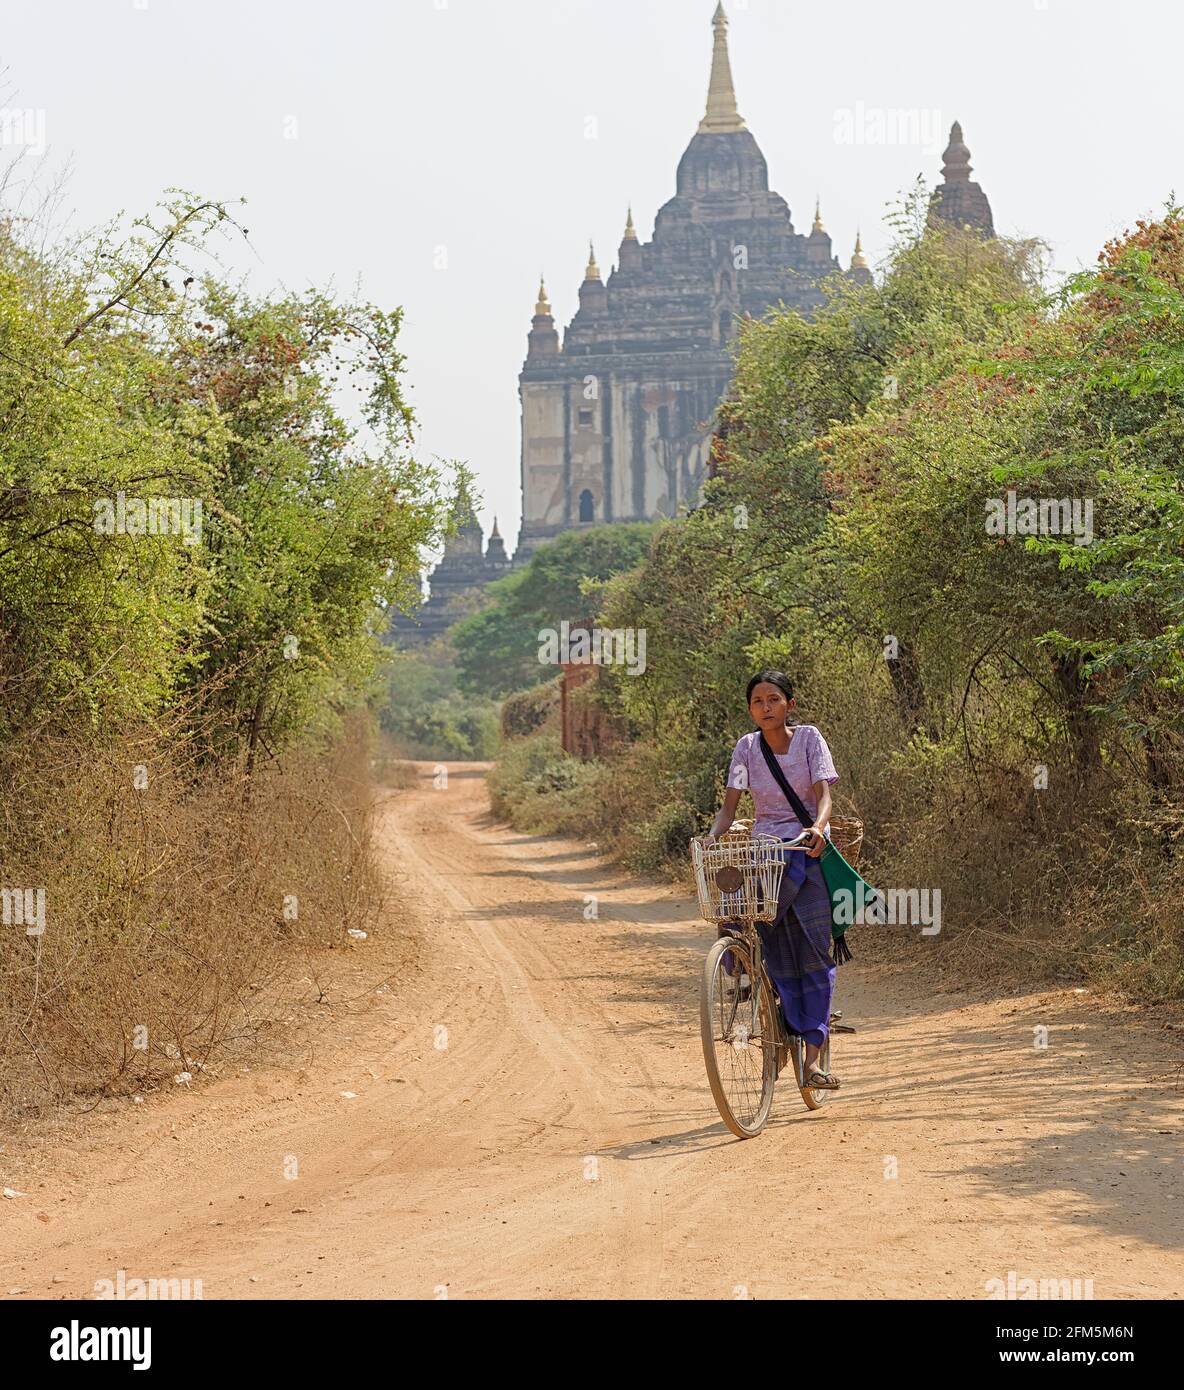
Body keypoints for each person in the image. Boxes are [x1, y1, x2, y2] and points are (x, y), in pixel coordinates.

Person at [703, 670, 841, 1089]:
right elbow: (729, 809)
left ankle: (814, 1060)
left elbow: (825, 797)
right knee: (760, 934)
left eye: (774, 699)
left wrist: (819, 827)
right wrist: (713, 837)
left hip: (805, 848)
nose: (766, 707)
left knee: (814, 953)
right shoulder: (746, 748)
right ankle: (767, 1010)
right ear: (750, 709)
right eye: (758, 701)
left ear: (789, 705)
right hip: (765, 854)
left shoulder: (810, 739)